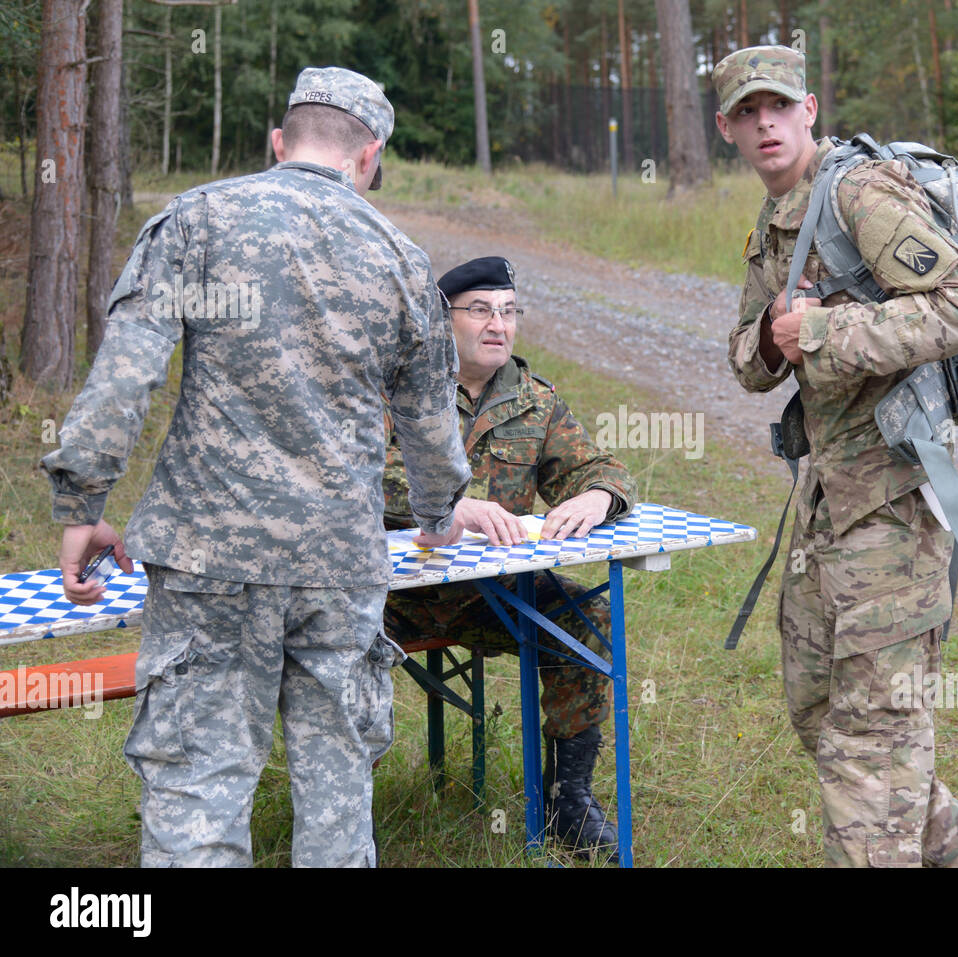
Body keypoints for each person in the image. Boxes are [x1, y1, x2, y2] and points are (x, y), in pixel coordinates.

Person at [39, 67, 471, 867]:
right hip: (338, 565)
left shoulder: (197, 221)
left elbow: (123, 380)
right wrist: (440, 516)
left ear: (279, 142)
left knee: (198, 791)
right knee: (339, 798)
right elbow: (431, 428)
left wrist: (82, 506)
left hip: (208, 560)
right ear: (368, 156)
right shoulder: (404, 260)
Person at [712, 45, 958, 867]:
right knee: (816, 705)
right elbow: (746, 355)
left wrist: (822, 332)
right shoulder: (777, 220)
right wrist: (776, 340)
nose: (765, 123)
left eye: (778, 106)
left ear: (809, 109)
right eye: (748, 112)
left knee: (873, 734)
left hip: (895, 501)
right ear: (727, 129)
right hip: (825, 503)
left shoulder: (857, 195)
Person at [382, 256, 636, 858]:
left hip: (490, 599)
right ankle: (338, 808)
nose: (498, 325)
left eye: (508, 312)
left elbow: (595, 466)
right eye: (479, 311)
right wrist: (447, 505)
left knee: (584, 618)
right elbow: (351, 474)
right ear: (442, 321)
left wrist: (599, 495)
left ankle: (567, 800)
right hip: (389, 599)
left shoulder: (533, 400)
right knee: (319, 647)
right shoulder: (397, 389)